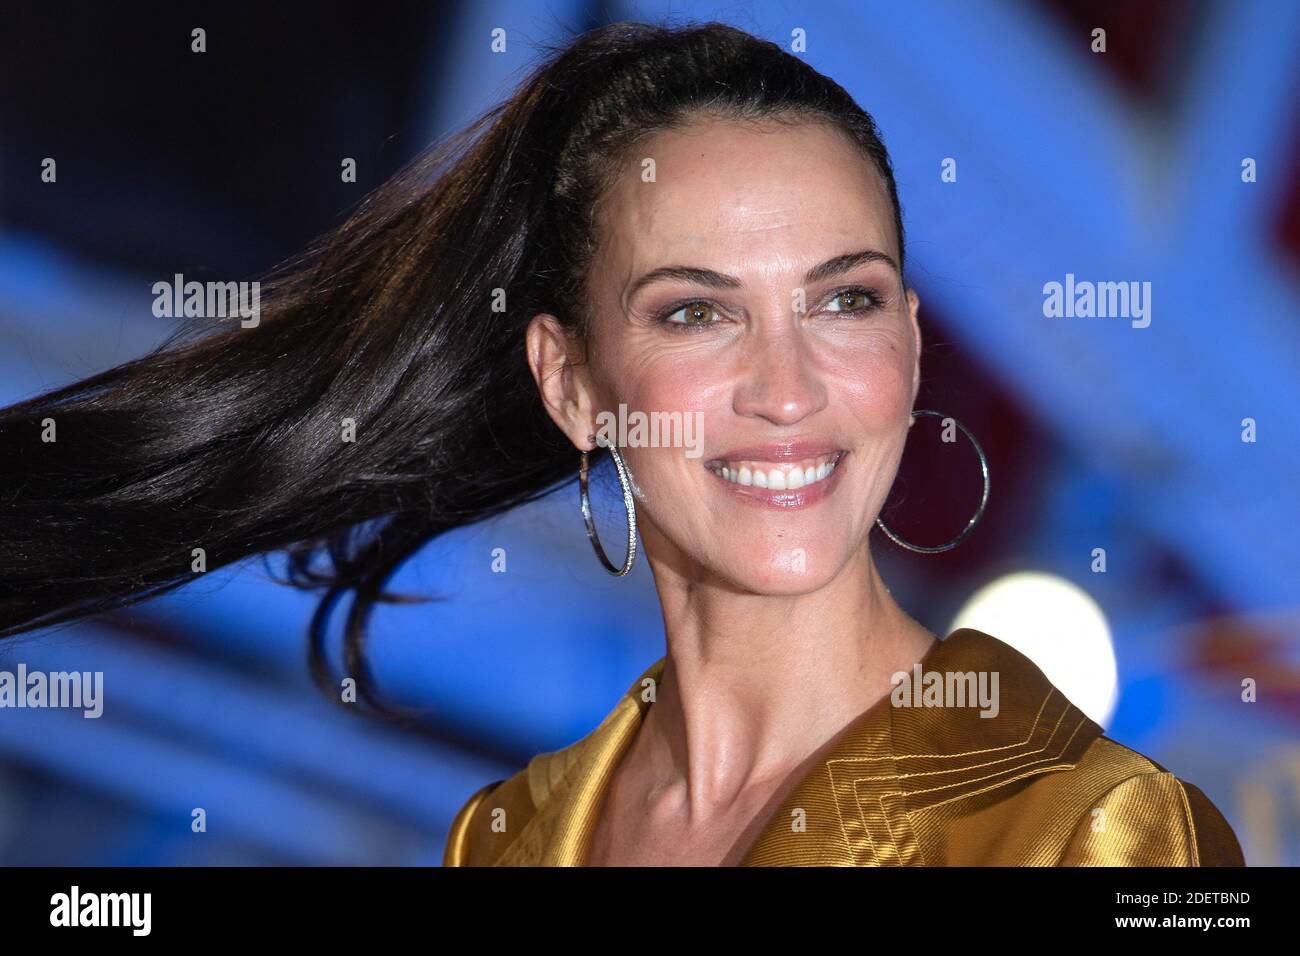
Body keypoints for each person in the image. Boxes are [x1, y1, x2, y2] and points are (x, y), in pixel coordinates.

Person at [0, 21, 1244, 867]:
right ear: (573, 383)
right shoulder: (511, 831)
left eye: (843, 298)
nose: (788, 387)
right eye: (697, 310)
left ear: (911, 347)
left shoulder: (1104, 831)